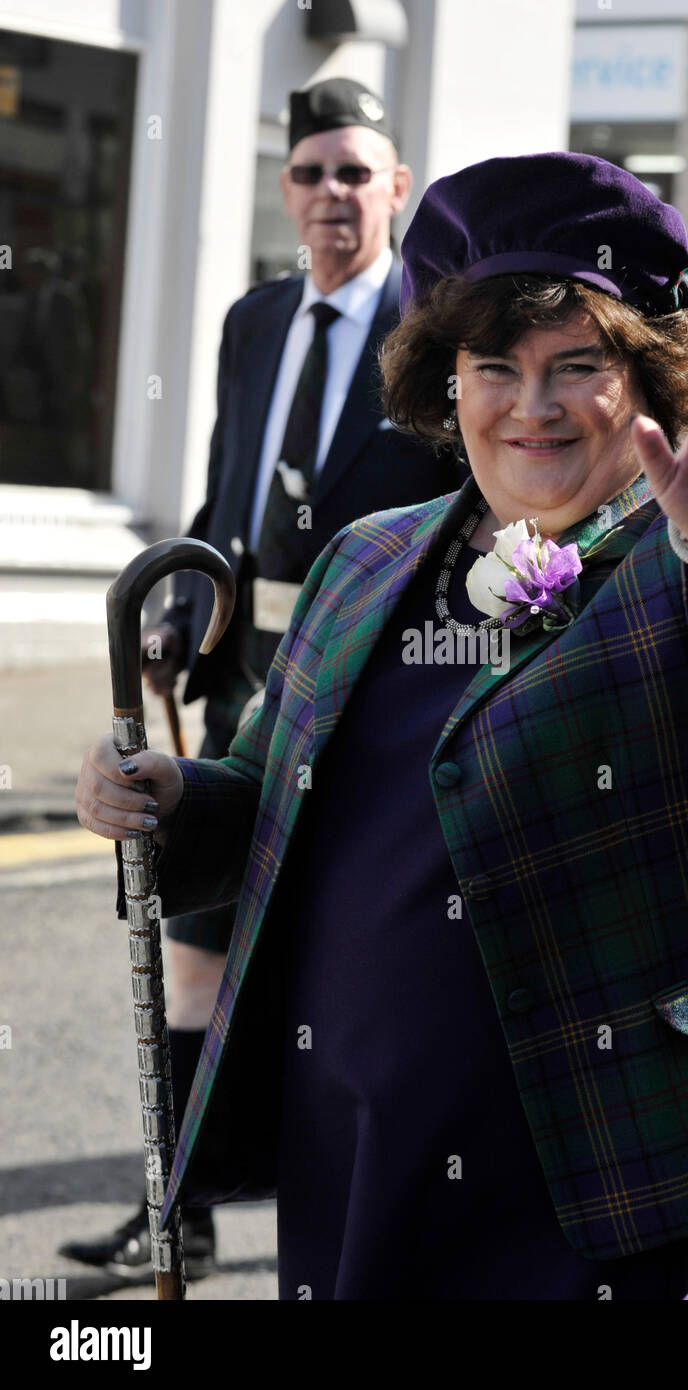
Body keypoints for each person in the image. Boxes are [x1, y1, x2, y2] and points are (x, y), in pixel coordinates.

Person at [75, 153, 688, 1301]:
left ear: (646, 382)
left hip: (596, 1181)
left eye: (579, 366)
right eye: (493, 368)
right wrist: (168, 801)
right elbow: (264, 803)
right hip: (360, 1145)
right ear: (446, 383)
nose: (532, 405)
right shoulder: (365, 556)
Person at [59, 76, 461, 1281]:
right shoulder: (252, 319)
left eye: (355, 173)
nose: (331, 196)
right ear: (283, 189)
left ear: (395, 187)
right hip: (243, 676)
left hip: (372, 687)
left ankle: (364, 1204)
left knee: (354, 952)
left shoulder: (433, 329)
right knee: (191, 937)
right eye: (309, 174)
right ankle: (177, 1202)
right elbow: (227, 493)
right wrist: (182, 609)